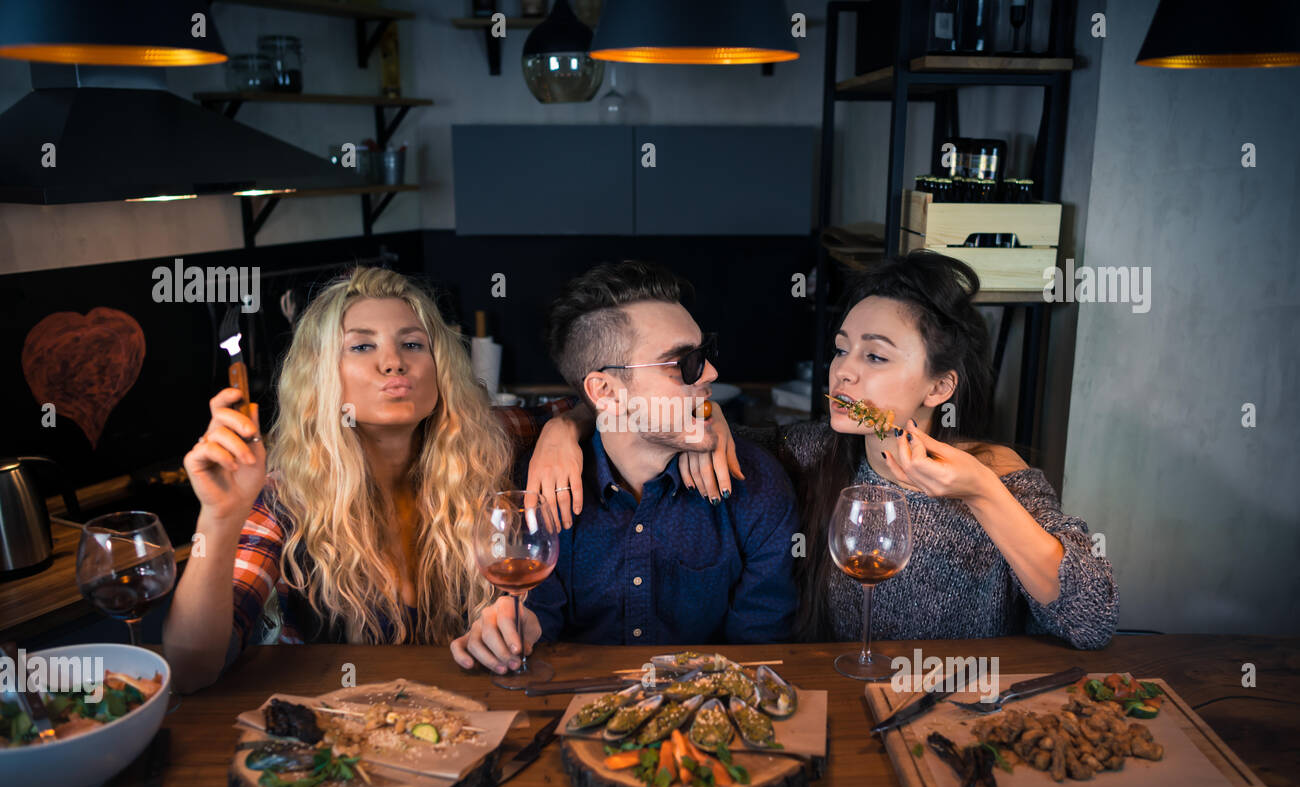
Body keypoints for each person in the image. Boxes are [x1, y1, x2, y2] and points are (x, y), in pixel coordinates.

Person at [524, 251, 1119, 650]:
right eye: (841, 349)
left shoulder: (1000, 475)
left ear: (939, 387)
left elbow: (1092, 620)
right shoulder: (808, 452)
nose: (843, 375)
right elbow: (644, 429)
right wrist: (567, 425)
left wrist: (983, 494)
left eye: (875, 356)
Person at [162, 266, 571, 692]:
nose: (393, 362)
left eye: (413, 344)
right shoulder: (285, 498)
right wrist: (219, 517)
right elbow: (191, 670)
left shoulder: (485, 441)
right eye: (361, 346)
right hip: (336, 734)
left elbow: (595, 405)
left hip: (469, 722)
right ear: (320, 378)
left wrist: (564, 430)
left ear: (441, 368)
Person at [450, 261, 800, 675]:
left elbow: (761, 656)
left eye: (704, 355)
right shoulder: (544, 487)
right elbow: (541, 621)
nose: (710, 374)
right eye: (680, 363)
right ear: (606, 392)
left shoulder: (755, 484)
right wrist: (515, 630)